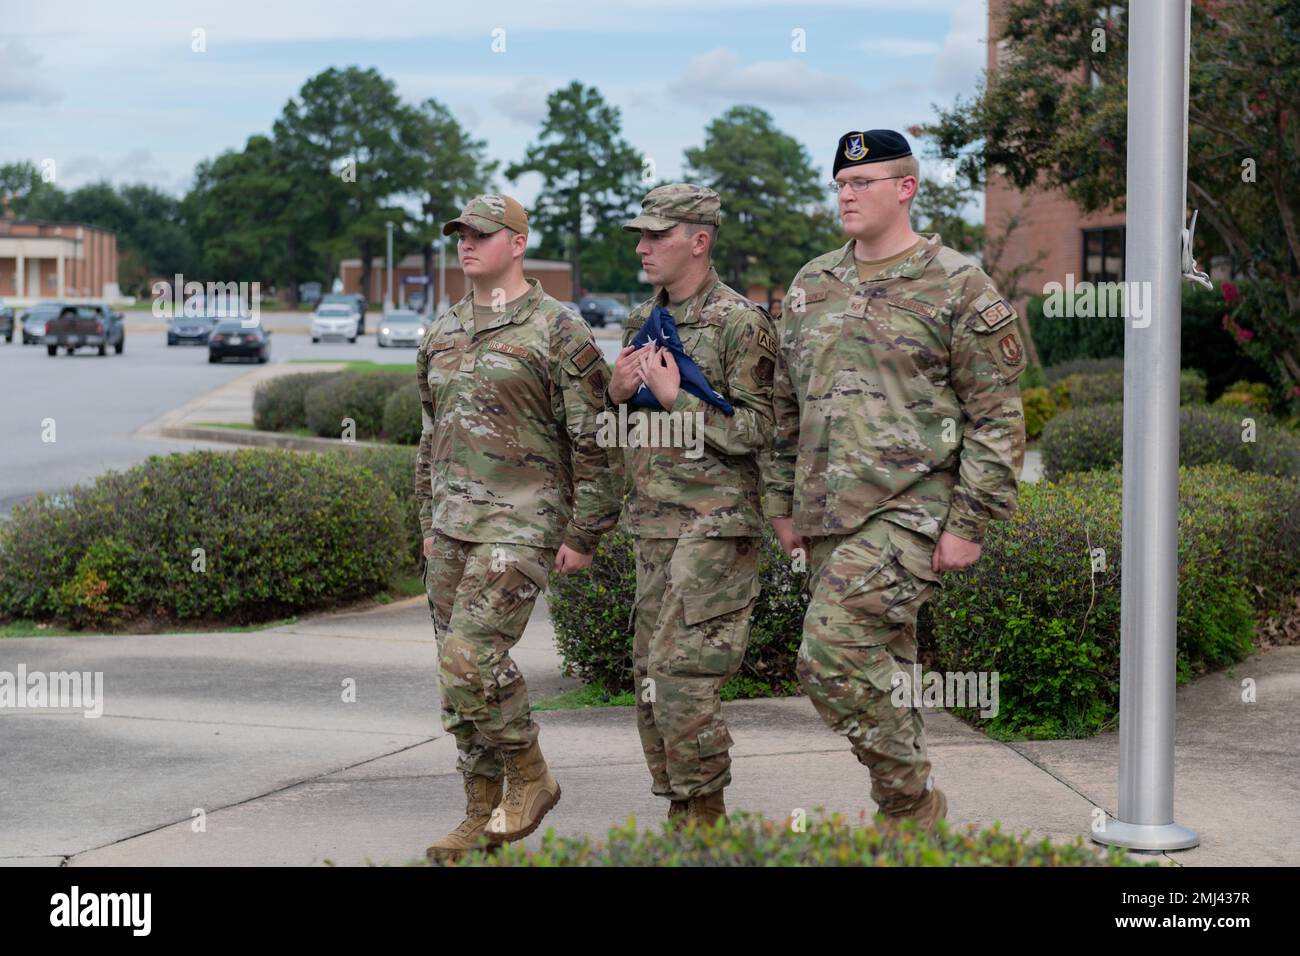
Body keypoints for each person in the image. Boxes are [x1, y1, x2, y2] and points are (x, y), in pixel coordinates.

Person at [762, 130, 1027, 833]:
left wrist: (970, 522)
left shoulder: (958, 282)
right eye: (841, 184)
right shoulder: (810, 284)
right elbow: (785, 403)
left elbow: (997, 417)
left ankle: (911, 802)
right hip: (826, 515)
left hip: (912, 509)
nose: (847, 194)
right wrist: (780, 503)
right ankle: (906, 823)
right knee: (888, 668)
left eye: (864, 183)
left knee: (830, 657)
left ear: (906, 188)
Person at [416, 193, 622, 861]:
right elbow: (429, 435)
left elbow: (595, 441)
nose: (467, 243)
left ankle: (532, 775)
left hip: (523, 523)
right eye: (460, 234)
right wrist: (426, 517)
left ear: (517, 243)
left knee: (470, 658)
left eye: (482, 232)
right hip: (451, 528)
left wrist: (585, 531)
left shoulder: (558, 330)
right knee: (458, 680)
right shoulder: (442, 331)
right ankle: (481, 814)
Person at [605, 183, 777, 826]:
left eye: (657, 236)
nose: (644, 247)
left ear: (698, 241)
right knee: (650, 678)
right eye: (640, 237)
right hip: (653, 524)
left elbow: (760, 430)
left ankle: (704, 818)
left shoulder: (742, 323)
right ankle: (682, 806)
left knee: (684, 678)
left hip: (716, 527)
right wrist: (617, 397)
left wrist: (682, 400)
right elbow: (622, 436)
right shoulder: (640, 323)